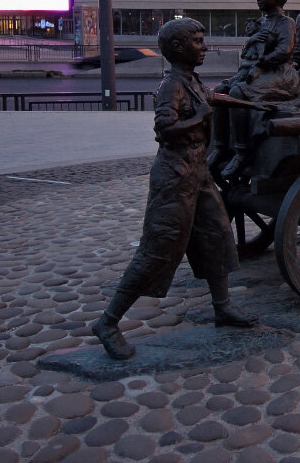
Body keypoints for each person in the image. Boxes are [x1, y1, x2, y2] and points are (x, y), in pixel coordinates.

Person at [92, 18, 255, 361]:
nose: (204, 46)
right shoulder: (171, 85)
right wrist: (202, 116)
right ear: (179, 48)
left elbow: (211, 98)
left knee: (216, 236)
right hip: (175, 174)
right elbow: (165, 128)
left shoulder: (189, 79)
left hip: (198, 172)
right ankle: (108, 323)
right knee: (158, 250)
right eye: (198, 41)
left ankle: (222, 308)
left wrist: (252, 105)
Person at [214, 0, 300, 179]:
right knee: (219, 91)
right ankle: (219, 146)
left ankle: (242, 151)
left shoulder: (285, 22)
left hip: (281, 76)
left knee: (237, 92)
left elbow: (285, 51)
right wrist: (252, 44)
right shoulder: (260, 23)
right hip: (257, 71)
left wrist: (261, 63)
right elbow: (247, 52)